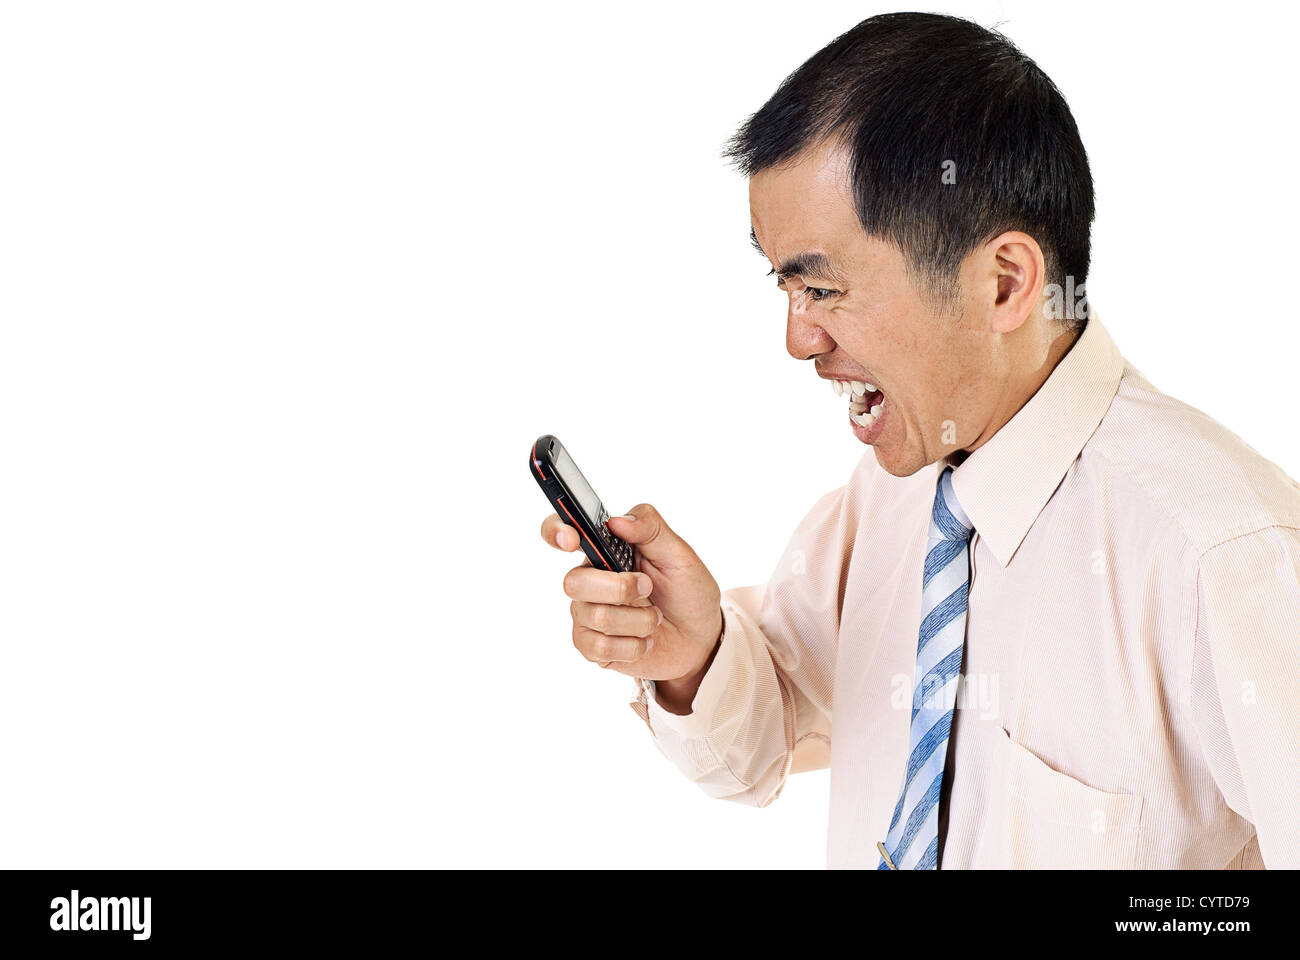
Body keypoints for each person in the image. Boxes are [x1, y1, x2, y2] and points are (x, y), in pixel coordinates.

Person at [537, 12, 1300, 868]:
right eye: (782, 283)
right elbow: (770, 730)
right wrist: (694, 651)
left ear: (1004, 284)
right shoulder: (900, 494)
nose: (798, 339)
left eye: (821, 287)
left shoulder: (1227, 555)